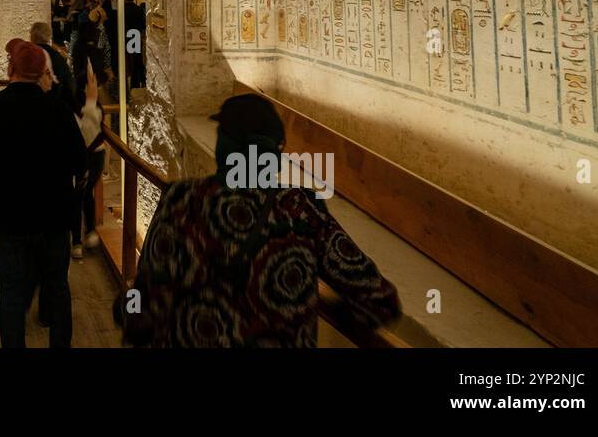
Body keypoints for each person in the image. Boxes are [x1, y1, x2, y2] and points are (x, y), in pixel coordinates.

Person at [125, 94, 402, 347]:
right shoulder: (300, 209)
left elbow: (147, 298)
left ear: (225, 145)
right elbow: (379, 300)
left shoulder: (181, 201)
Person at [0, 39, 87, 348]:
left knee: (12, 292)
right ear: (42, 73)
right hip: (54, 216)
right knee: (58, 289)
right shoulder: (58, 110)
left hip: (9, 216)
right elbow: (79, 161)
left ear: (10, 69)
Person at [71, 60, 108, 260]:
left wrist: (93, 103)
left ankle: (89, 231)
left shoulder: (95, 106)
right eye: (93, 83)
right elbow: (85, 133)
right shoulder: (76, 108)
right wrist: (91, 102)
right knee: (78, 195)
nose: (97, 86)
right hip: (80, 156)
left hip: (95, 157)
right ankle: (77, 239)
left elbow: (94, 131)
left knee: (86, 193)